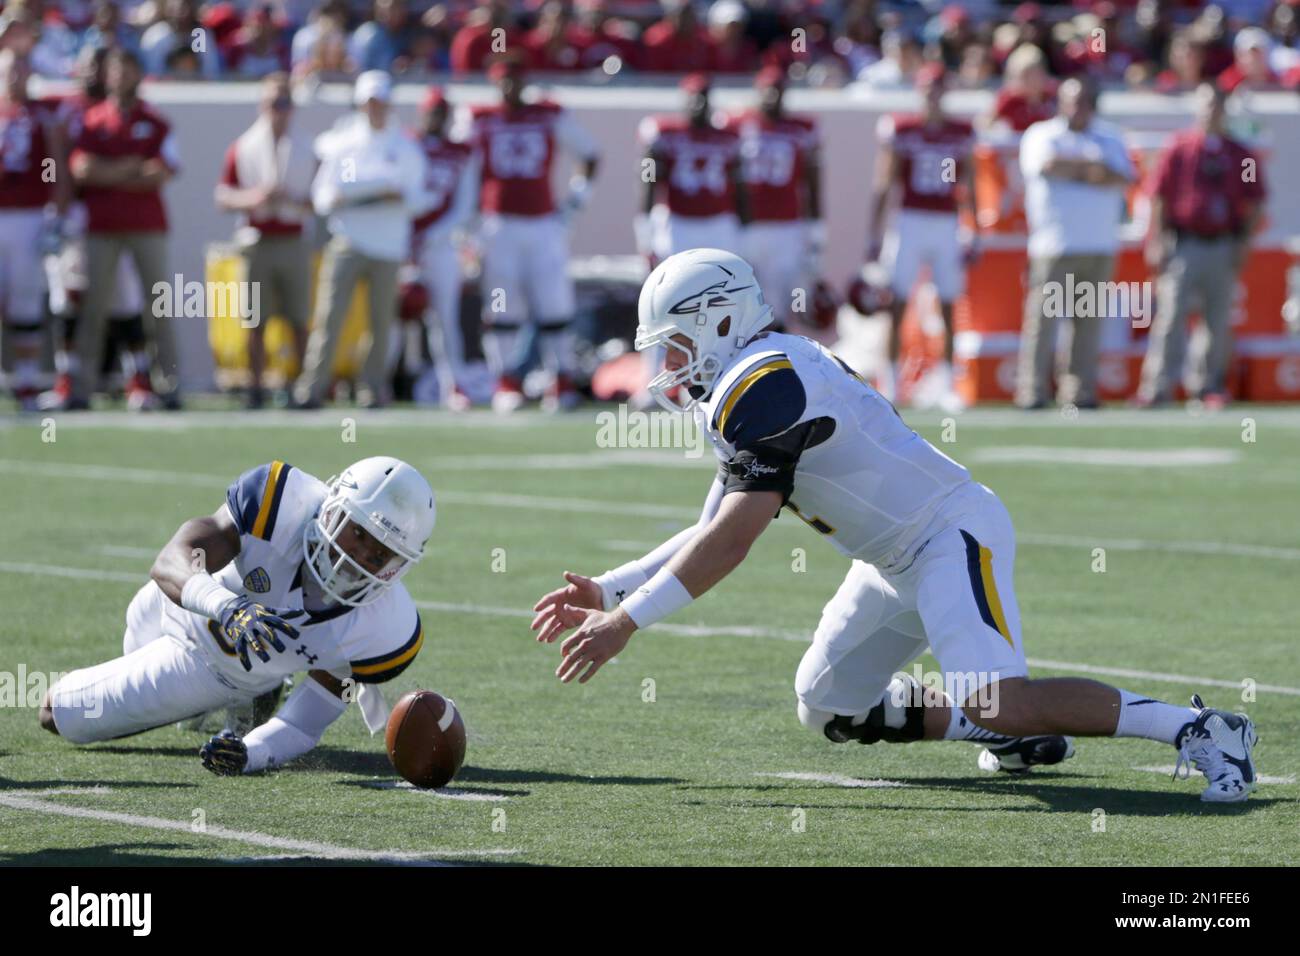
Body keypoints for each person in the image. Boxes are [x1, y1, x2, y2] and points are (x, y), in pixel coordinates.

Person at [530, 248, 1260, 803]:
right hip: (887, 560)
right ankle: (1010, 735)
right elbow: (708, 527)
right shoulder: (748, 381)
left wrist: (628, 621)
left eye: (674, 342)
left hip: (946, 533)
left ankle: (1199, 728)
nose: (667, 362)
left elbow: (732, 541)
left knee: (997, 694)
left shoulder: (767, 382)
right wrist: (607, 587)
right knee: (829, 708)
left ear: (719, 318)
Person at [39, 457, 437, 777]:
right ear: (332, 507)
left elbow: (304, 723)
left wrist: (251, 753)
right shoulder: (282, 501)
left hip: (210, 669)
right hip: (180, 602)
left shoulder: (386, 633)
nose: (359, 557)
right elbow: (170, 562)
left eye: (380, 553)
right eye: (358, 532)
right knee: (134, 634)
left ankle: (237, 698)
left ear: (398, 567)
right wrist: (228, 607)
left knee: (55, 712)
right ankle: (237, 701)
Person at [454, 56, 600, 413]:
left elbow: (590, 154)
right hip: (498, 224)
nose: (509, 88)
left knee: (554, 303)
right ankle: (506, 380)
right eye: (503, 81)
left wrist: (574, 204)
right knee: (503, 306)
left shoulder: (548, 114)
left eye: (515, 80)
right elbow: (462, 167)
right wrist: (467, 225)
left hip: (542, 223)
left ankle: (560, 379)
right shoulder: (478, 117)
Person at [296, 70, 428, 410]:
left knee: (380, 324)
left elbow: (418, 198)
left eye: (380, 102)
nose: (375, 109)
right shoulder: (344, 144)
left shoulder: (406, 147)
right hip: (348, 242)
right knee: (330, 318)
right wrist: (363, 196)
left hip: (388, 246)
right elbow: (323, 196)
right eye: (370, 103)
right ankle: (312, 388)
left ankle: (372, 389)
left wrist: (385, 197)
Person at [1136, 83, 1265, 410]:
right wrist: (1157, 239)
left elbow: (1255, 201)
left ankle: (1206, 387)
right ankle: (1157, 387)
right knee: (1170, 317)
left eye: (1217, 106)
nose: (1212, 112)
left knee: (1216, 320)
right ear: (1197, 108)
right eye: (1207, 105)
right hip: (1185, 243)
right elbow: (1159, 196)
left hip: (1223, 243)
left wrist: (1243, 241)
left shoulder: (1240, 154)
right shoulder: (1178, 147)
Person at [66, 47, 181, 411]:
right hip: (102, 226)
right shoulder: (91, 119)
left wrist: (109, 174)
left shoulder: (157, 121)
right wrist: (130, 168)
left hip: (147, 225)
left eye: (129, 68)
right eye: (117, 69)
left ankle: (170, 384)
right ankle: (81, 386)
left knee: (161, 304)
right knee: (93, 304)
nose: (122, 76)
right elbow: (81, 170)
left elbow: (160, 173)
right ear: (107, 75)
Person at [1015, 76, 1134, 410]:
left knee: (1087, 325)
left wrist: (1079, 169)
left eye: (1083, 100)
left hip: (1097, 244)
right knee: (1043, 321)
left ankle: (1078, 392)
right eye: (1071, 99)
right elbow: (1048, 166)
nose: (1077, 106)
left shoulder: (1109, 136)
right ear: (1060, 102)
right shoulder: (1042, 134)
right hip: (1054, 244)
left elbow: (1123, 177)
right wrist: (1093, 170)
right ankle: (1032, 390)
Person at [868, 64, 976, 411]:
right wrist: (876, 232)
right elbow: (886, 181)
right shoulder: (902, 128)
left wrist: (974, 228)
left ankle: (947, 383)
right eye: (928, 88)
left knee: (948, 303)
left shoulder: (961, 131)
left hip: (946, 220)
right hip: (910, 220)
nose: (933, 95)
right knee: (897, 302)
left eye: (938, 88)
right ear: (919, 91)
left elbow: (969, 182)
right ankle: (891, 381)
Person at [215, 72, 313, 409]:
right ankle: (255, 385)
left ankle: (302, 385)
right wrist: (256, 198)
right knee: (255, 319)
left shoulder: (306, 147)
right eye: (274, 102)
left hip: (292, 237)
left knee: (298, 317)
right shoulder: (243, 147)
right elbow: (223, 196)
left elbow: (320, 199)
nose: (280, 109)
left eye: (285, 102)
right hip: (257, 238)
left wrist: (291, 201)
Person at [726, 65, 822, 336]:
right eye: (768, 91)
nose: (772, 97)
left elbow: (812, 182)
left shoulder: (802, 129)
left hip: (787, 226)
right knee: (743, 302)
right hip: (748, 226)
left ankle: (779, 361)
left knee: (783, 303)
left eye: (778, 91)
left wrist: (816, 233)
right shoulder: (737, 125)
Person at [0, 49, 67, 410]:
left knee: (25, 300)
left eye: (20, 69)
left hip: (28, 215)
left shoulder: (42, 115)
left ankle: (26, 382)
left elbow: (53, 166)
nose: (14, 76)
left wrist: (55, 211)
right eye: (9, 69)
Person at [409, 85, 479, 409]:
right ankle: (378, 382)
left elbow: (464, 206)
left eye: (441, 113)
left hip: (440, 245)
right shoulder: (405, 145)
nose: (435, 119)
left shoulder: (461, 152)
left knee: (444, 319)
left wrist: (433, 234)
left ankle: (455, 384)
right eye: (431, 112)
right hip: (400, 244)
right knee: (392, 316)